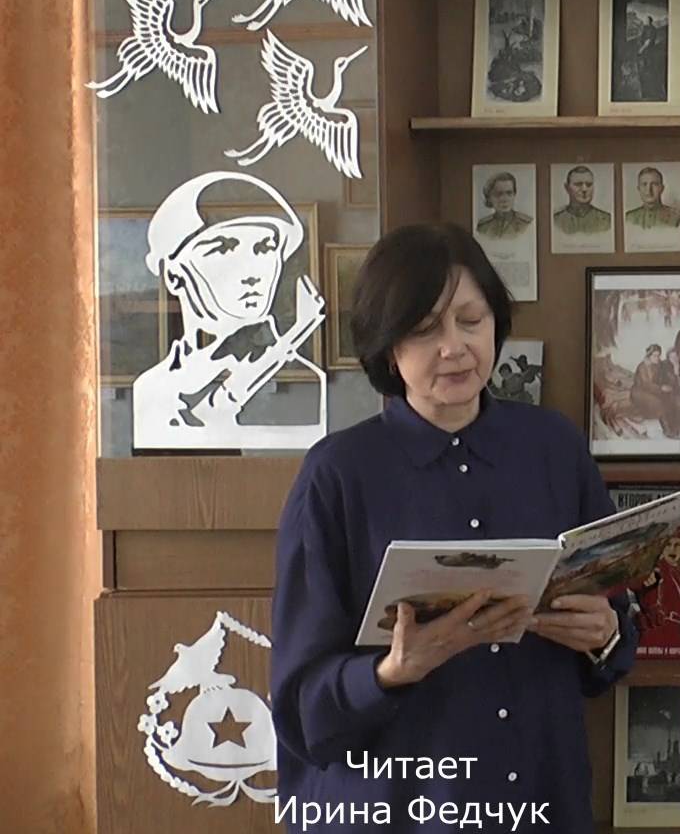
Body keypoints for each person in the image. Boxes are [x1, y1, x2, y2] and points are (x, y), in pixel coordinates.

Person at [271, 223, 631, 833]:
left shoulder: (554, 448)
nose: (455, 347)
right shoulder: (337, 475)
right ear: (388, 346)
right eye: (425, 329)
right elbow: (301, 709)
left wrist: (606, 633)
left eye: (471, 320)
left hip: (540, 800)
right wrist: (392, 672)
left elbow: (614, 627)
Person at [135, 170, 326, 448]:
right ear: (174, 276)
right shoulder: (151, 386)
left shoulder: (301, 381)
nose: (252, 271)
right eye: (223, 249)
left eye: (265, 248)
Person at [552, 165, 612, 235]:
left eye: (589, 184)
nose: (584, 189)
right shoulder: (556, 221)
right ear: (567, 188)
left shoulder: (607, 220)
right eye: (578, 184)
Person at [475, 170, 532, 240]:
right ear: (489, 197)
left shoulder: (527, 224)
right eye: (498, 194)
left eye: (509, 193)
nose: (504, 199)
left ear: (514, 195)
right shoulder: (482, 226)